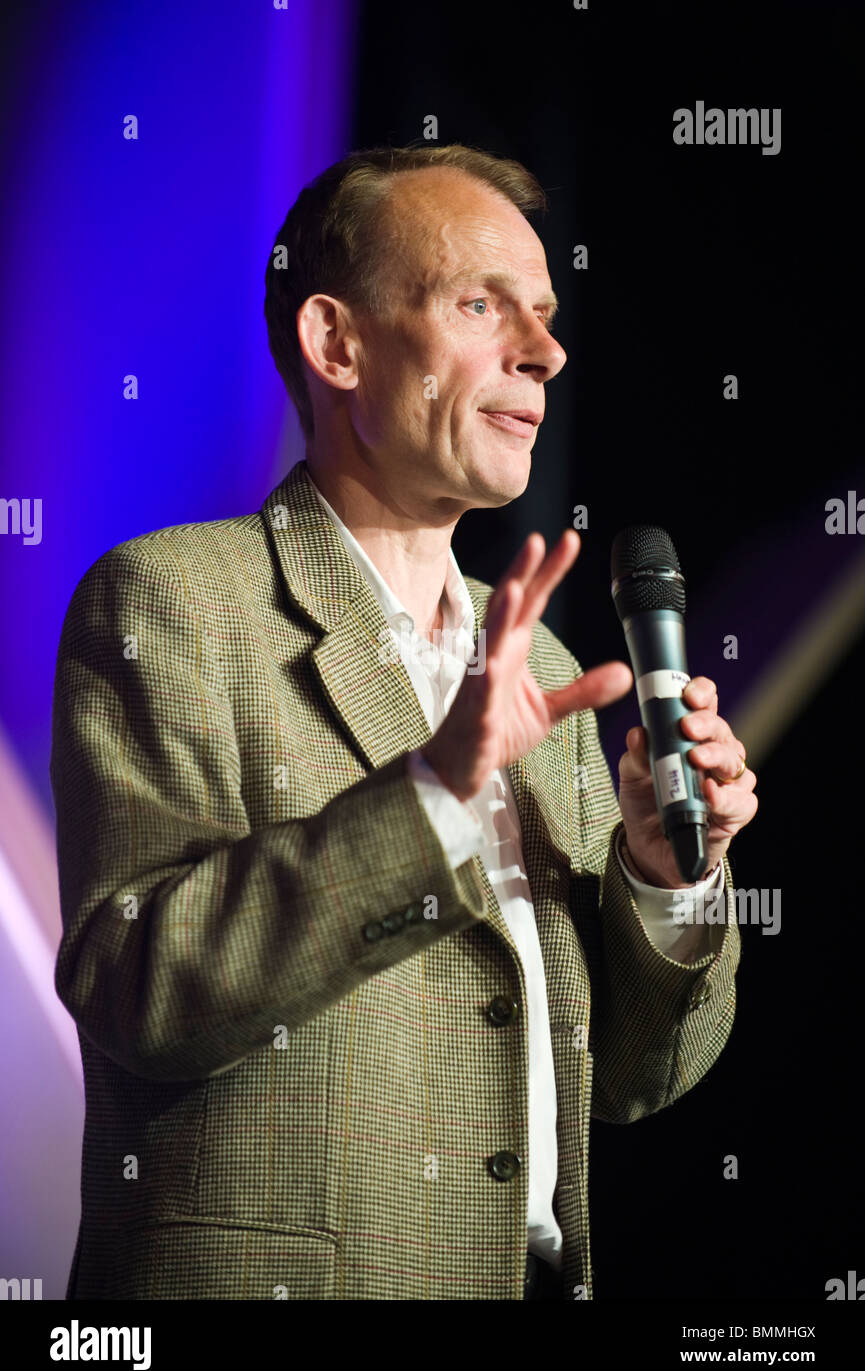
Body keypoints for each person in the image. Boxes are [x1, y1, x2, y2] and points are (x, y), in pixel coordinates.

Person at [50, 144, 757, 1301]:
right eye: (483, 305)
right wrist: (432, 792)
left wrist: (662, 875)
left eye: (544, 315)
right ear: (338, 343)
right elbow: (139, 988)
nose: (545, 351)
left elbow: (630, 1081)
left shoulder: (554, 672)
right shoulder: (174, 603)